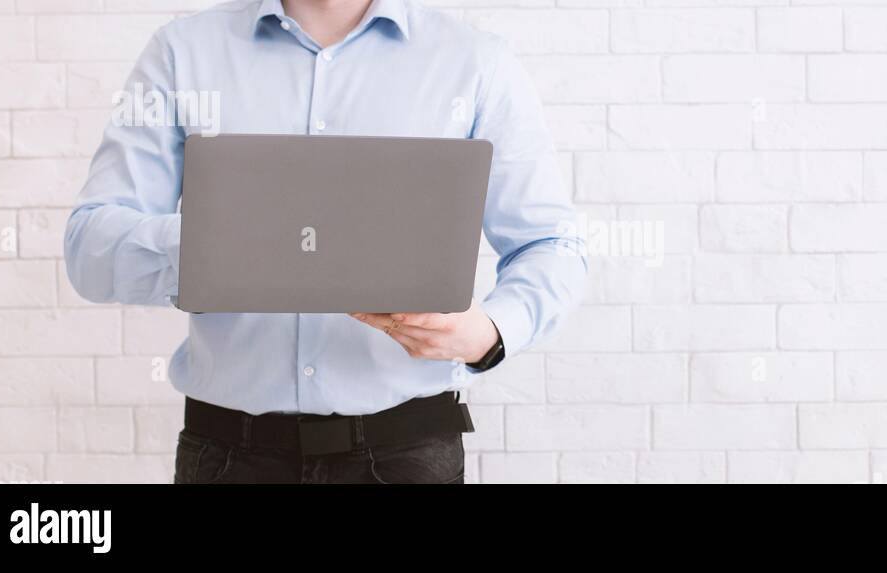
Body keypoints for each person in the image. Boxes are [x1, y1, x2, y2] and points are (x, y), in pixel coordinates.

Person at [63, 0, 586, 484]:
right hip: (229, 456)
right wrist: (220, 244)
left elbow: (551, 245)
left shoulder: (475, 62)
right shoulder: (181, 53)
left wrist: (490, 333)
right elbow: (91, 248)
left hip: (408, 452)